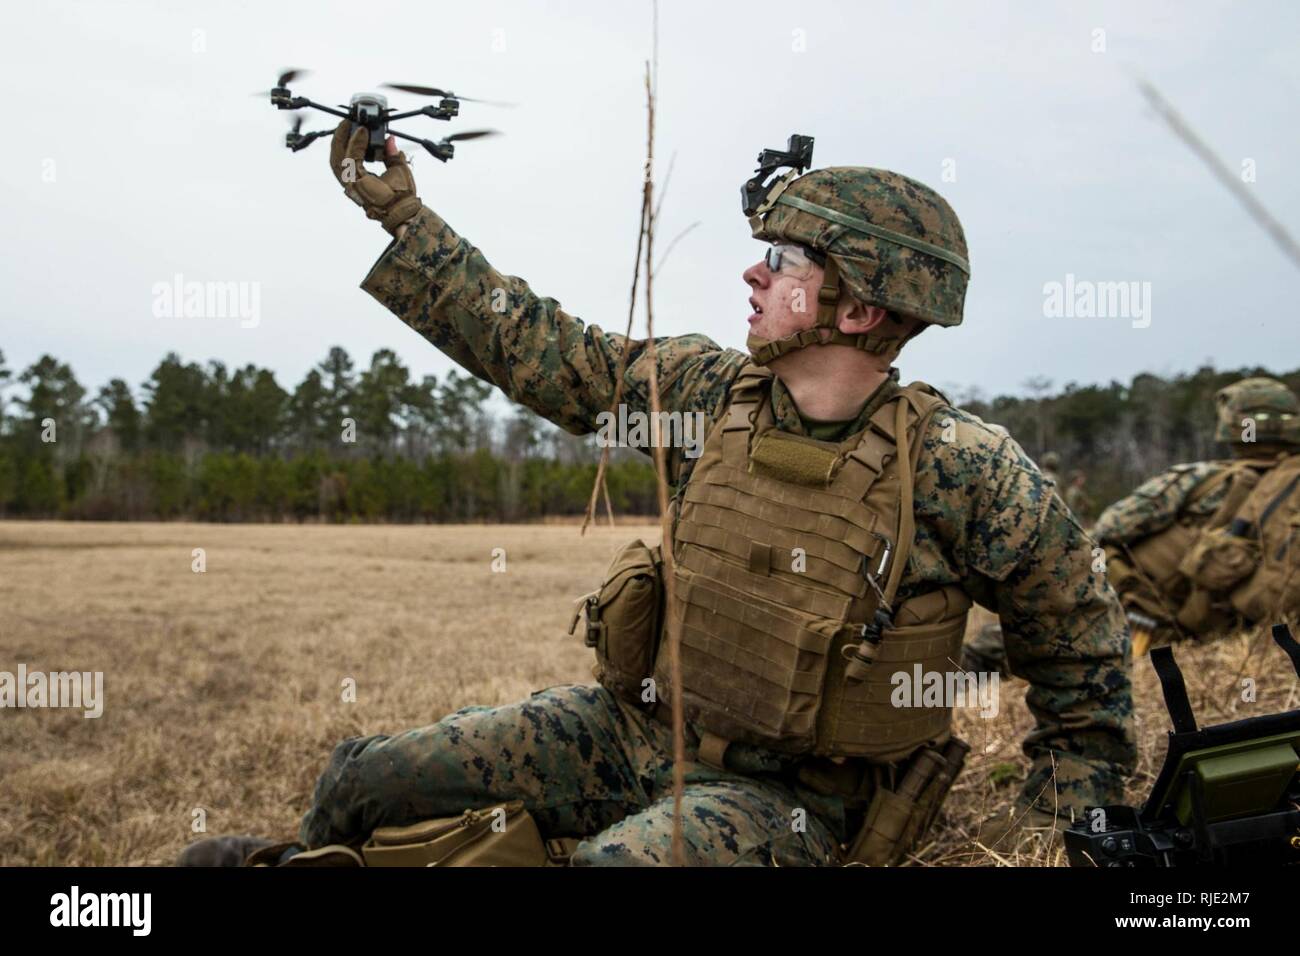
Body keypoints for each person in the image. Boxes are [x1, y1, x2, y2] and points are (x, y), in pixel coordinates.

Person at [180, 125, 1134, 866]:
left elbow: (1078, 635)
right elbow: (539, 347)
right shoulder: (701, 395)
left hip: (793, 799)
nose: (755, 273)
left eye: (787, 260)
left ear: (860, 307)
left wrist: (1068, 813)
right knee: (371, 779)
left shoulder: (964, 467)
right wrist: (405, 221)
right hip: (634, 725)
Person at [1091, 377, 1300, 654]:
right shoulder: (1292, 487)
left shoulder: (1202, 479)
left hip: (1155, 619)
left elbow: (1109, 528)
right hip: (1237, 629)